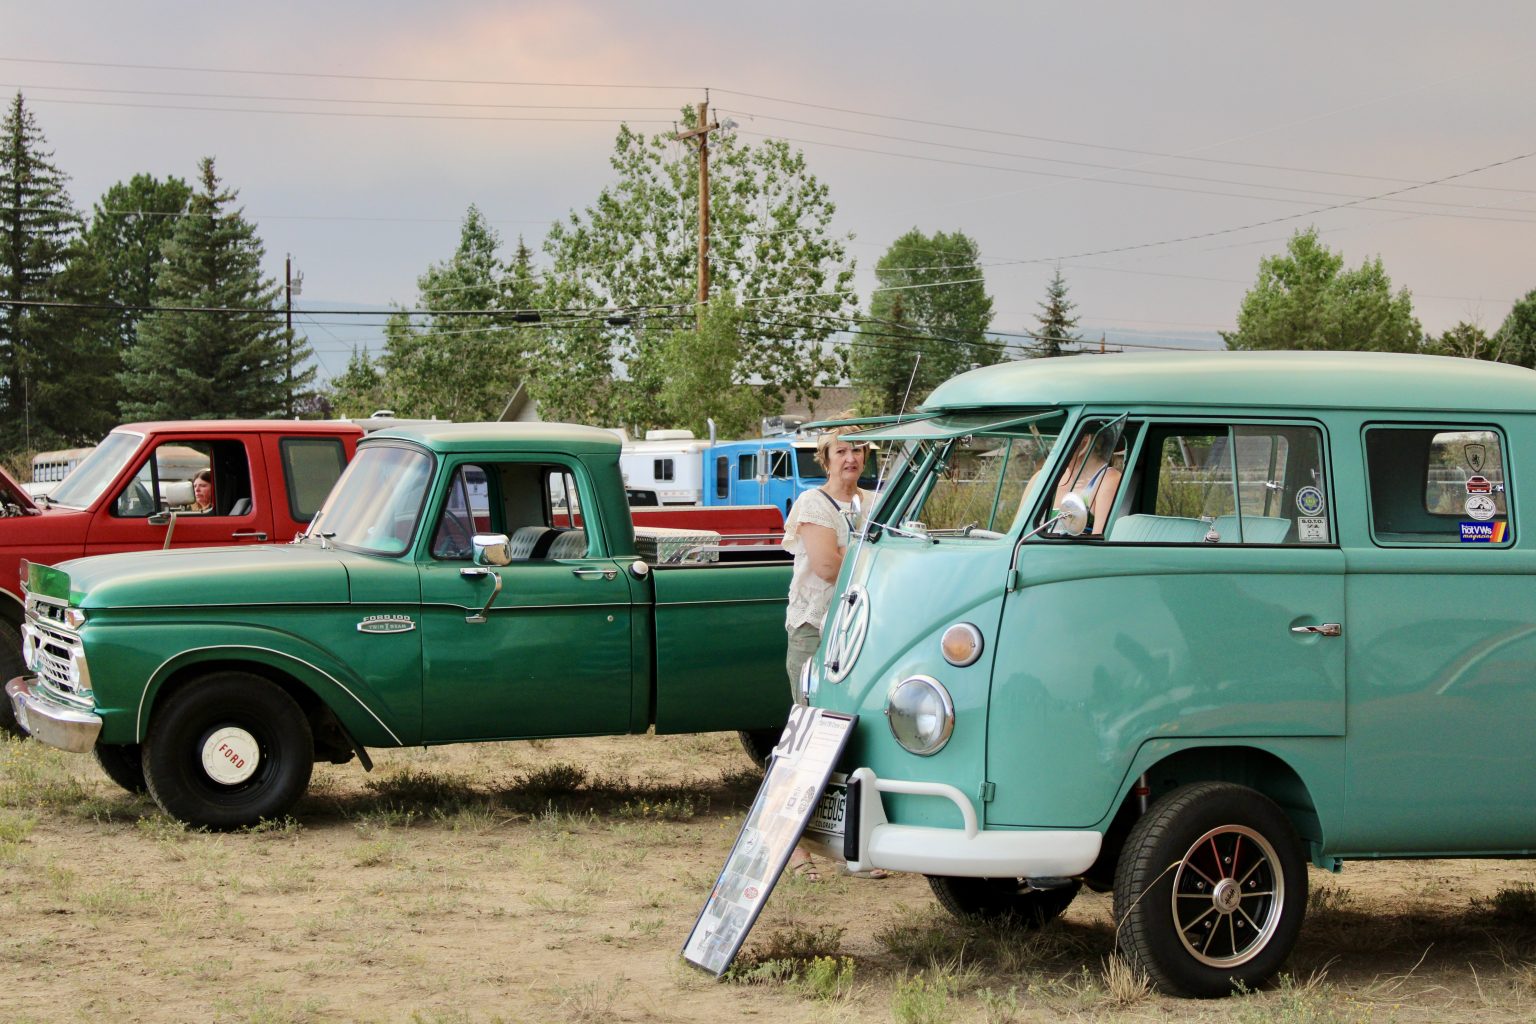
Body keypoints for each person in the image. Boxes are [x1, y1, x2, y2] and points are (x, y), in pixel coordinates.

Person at [781, 428, 885, 881]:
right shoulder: (812, 504)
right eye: (841, 450)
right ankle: (792, 846)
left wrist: (851, 553)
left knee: (851, 741)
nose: (851, 458)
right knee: (809, 737)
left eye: (857, 450)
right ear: (826, 459)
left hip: (858, 636)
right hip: (815, 632)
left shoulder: (873, 502)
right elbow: (826, 567)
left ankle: (848, 847)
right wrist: (868, 559)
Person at [1024, 432, 1122, 536]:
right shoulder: (1040, 478)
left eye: (1060, 437)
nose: (1053, 447)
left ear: (1085, 442)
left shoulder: (1108, 480)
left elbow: (1099, 547)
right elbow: (1018, 535)